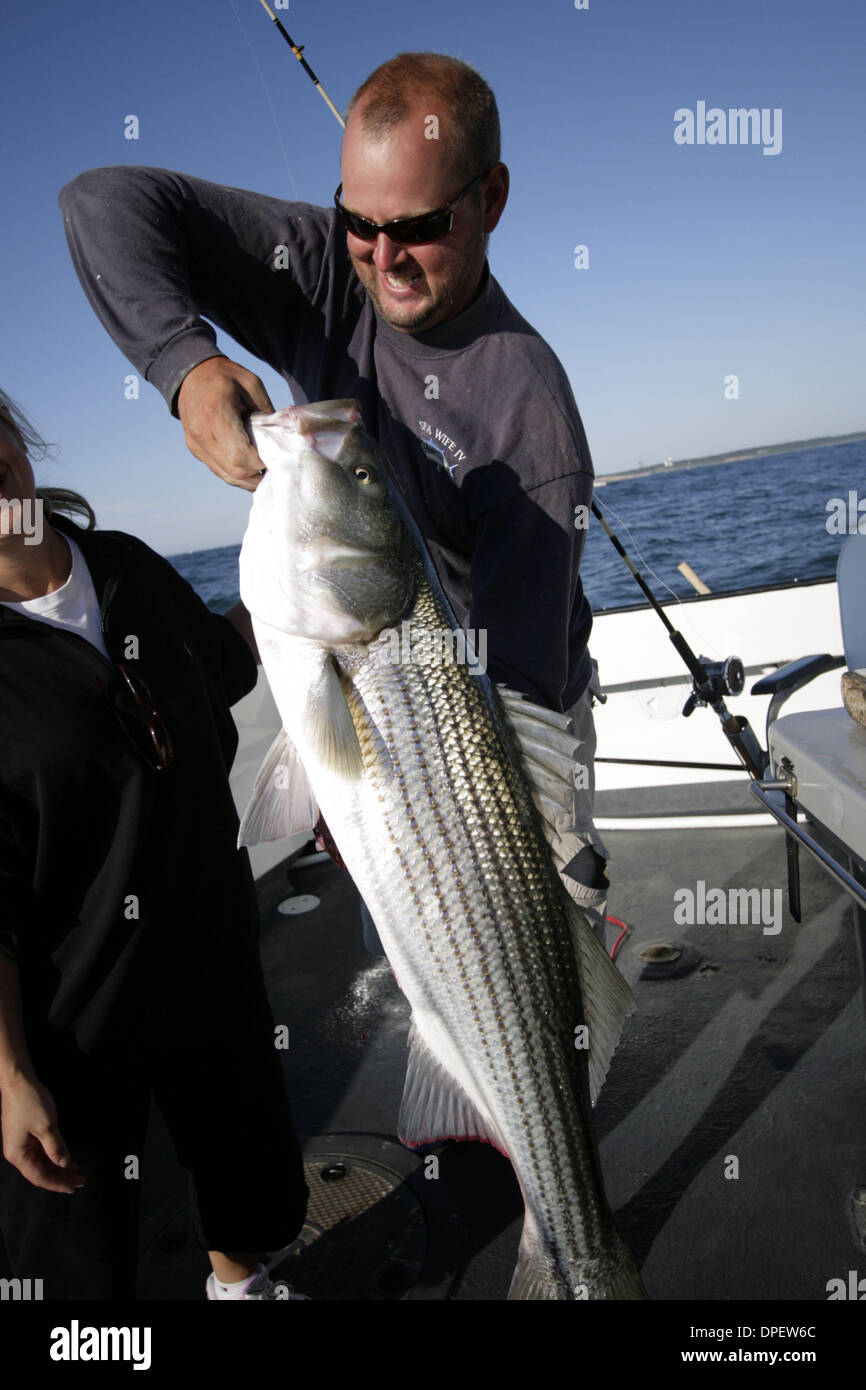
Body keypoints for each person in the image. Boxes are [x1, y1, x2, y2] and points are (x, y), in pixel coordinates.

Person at [59, 50, 611, 935]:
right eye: (359, 219)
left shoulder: (529, 420)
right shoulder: (324, 268)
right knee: (419, 982)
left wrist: (382, 777)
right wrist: (183, 363)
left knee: (533, 966)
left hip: (506, 721)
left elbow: (512, 699)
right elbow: (102, 200)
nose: (383, 258)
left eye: (420, 226)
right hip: (371, 684)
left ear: (491, 199)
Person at [0, 391, 308, 1300]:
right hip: (76, 1011)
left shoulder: (127, 566)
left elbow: (227, 656)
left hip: (213, 950)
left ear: (19, 439)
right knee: (70, 1247)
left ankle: (240, 1287)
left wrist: (313, 561)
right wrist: (9, 1073)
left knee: (245, 1166)